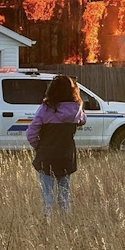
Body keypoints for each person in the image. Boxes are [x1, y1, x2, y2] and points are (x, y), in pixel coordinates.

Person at [26, 76, 87, 216]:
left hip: (46, 156)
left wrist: (39, 147)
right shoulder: (76, 109)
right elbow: (83, 120)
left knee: (47, 195)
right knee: (64, 196)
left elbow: (31, 134)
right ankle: (66, 226)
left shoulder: (45, 109)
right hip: (66, 156)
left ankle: (48, 225)